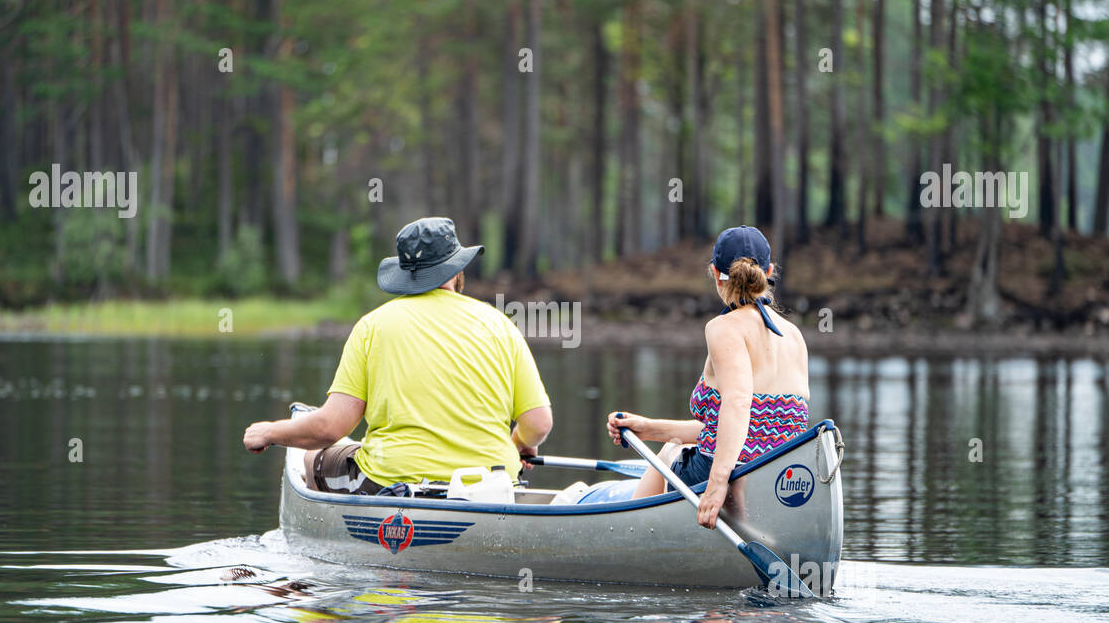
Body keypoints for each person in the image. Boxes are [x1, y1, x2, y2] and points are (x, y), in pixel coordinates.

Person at [243, 217, 553, 493]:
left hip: (392, 478)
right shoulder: (499, 323)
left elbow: (329, 429)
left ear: (406, 274)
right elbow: (538, 423)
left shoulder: (373, 325)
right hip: (493, 481)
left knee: (311, 460)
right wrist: (520, 445)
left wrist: (270, 432)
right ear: (458, 269)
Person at [606, 225, 809, 527]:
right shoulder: (793, 335)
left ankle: (626, 537)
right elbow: (747, 431)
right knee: (672, 444)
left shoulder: (723, 328)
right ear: (769, 271)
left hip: (737, 478)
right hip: (781, 479)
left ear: (716, 273)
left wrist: (717, 485)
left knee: (670, 453)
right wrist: (648, 428)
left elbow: (738, 404)